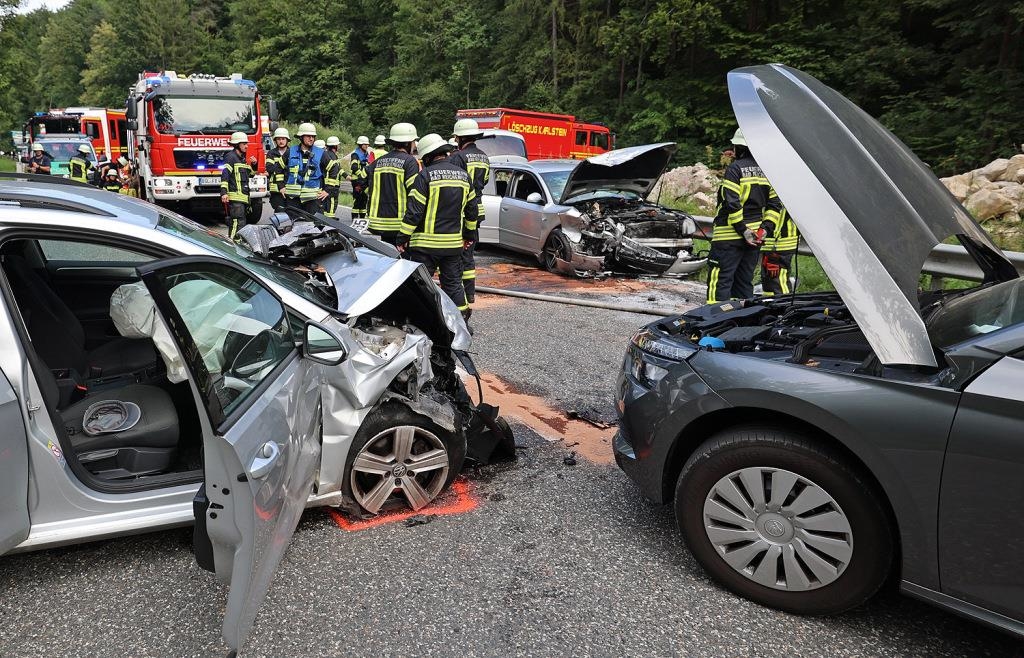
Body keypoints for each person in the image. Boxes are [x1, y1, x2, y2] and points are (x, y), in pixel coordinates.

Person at [397, 133, 479, 322]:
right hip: (452, 246)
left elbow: (414, 212)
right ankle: (460, 324)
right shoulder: (464, 176)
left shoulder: (424, 176)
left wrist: (402, 237)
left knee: (420, 287)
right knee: (453, 286)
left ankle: (419, 323)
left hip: (425, 247)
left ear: (427, 157)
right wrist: (469, 236)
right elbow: (472, 211)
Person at [706, 128, 781, 303]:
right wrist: (764, 230)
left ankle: (713, 321)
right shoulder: (768, 171)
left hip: (728, 237)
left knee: (720, 281)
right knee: (743, 283)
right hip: (754, 239)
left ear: (740, 147)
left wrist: (742, 230)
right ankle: (741, 321)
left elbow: (732, 203)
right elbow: (774, 205)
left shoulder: (735, 169)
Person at [448, 118, 490, 314]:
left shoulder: (458, 157)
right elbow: (486, 180)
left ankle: (457, 294)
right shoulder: (484, 156)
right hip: (478, 209)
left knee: (457, 253)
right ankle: (469, 292)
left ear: (459, 137)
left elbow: (454, 182)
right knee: (469, 253)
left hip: (461, 210)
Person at [364, 123, 420, 243]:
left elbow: (362, 180)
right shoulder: (410, 162)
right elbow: (414, 194)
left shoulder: (377, 162)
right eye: (414, 141)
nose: (415, 145)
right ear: (407, 143)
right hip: (399, 223)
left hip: (377, 223)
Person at [284, 122, 330, 213]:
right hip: (293, 199)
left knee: (315, 225)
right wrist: (281, 186)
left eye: (313, 136)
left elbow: (334, 170)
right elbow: (278, 168)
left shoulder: (321, 153)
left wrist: (327, 190)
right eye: (308, 136)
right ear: (301, 137)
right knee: (294, 225)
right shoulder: (290, 152)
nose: (311, 138)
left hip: (313, 199)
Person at [220, 131, 254, 239]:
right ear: (237, 144)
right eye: (244, 144)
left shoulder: (242, 159)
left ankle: (239, 245)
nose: (246, 146)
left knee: (242, 223)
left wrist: (254, 164)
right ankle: (232, 245)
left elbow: (251, 174)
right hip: (235, 197)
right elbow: (225, 175)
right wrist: (224, 192)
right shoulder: (230, 157)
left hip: (243, 198)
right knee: (236, 222)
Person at [760, 206, 799, 296]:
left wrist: (775, 242)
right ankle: (771, 306)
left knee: (778, 283)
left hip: (779, 244)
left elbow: (780, 216)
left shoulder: (783, 195)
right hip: (774, 243)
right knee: (769, 284)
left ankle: (784, 304)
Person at [266, 127, 290, 211]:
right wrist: (284, 167)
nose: (281, 141)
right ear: (275, 140)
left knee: (291, 212)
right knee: (279, 211)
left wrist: (278, 166)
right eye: (278, 139)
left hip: (290, 187)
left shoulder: (292, 153)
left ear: (287, 140)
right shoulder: (271, 153)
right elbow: (269, 168)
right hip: (276, 189)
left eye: (283, 139)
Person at [348, 136, 371, 221]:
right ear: (360, 144)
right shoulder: (355, 155)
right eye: (365, 144)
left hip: (364, 181)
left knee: (364, 199)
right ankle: (354, 218)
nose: (366, 146)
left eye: (367, 144)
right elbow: (354, 167)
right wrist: (362, 176)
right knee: (357, 200)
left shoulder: (367, 155)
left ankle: (362, 218)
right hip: (357, 181)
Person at [323, 136, 343, 217]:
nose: (338, 146)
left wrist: (347, 176)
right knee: (331, 205)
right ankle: (330, 221)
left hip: (327, 185)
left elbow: (339, 169)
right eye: (338, 145)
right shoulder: (332, 156)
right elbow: (334, 170)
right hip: (332, 185)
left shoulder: (327, 154)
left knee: (327, 205)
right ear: (335, 146)